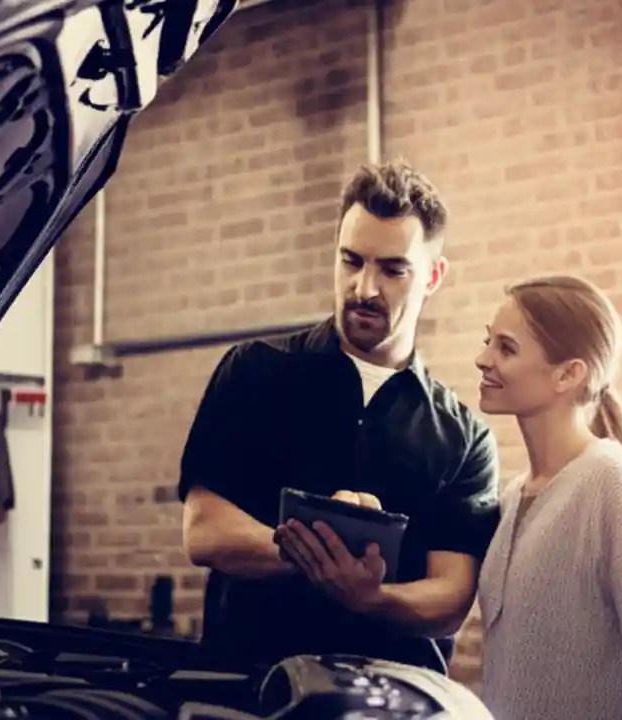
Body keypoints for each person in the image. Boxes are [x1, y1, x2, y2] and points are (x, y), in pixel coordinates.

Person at [177, 160, 501, 672]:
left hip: (393, 704)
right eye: (352, 261)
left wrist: (369, 596)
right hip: (252, 691)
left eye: (393, 269)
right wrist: (320, 552)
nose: (365, 288)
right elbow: (205, 531)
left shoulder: (464, 436)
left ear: (434, 276)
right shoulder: (255, 372)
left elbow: (451, 599)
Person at [473, 275, 622, 719]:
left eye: (506, 348)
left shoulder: (612, 479)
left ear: (568, 374)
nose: (483, 359)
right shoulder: (514, 497)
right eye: (488, 342)